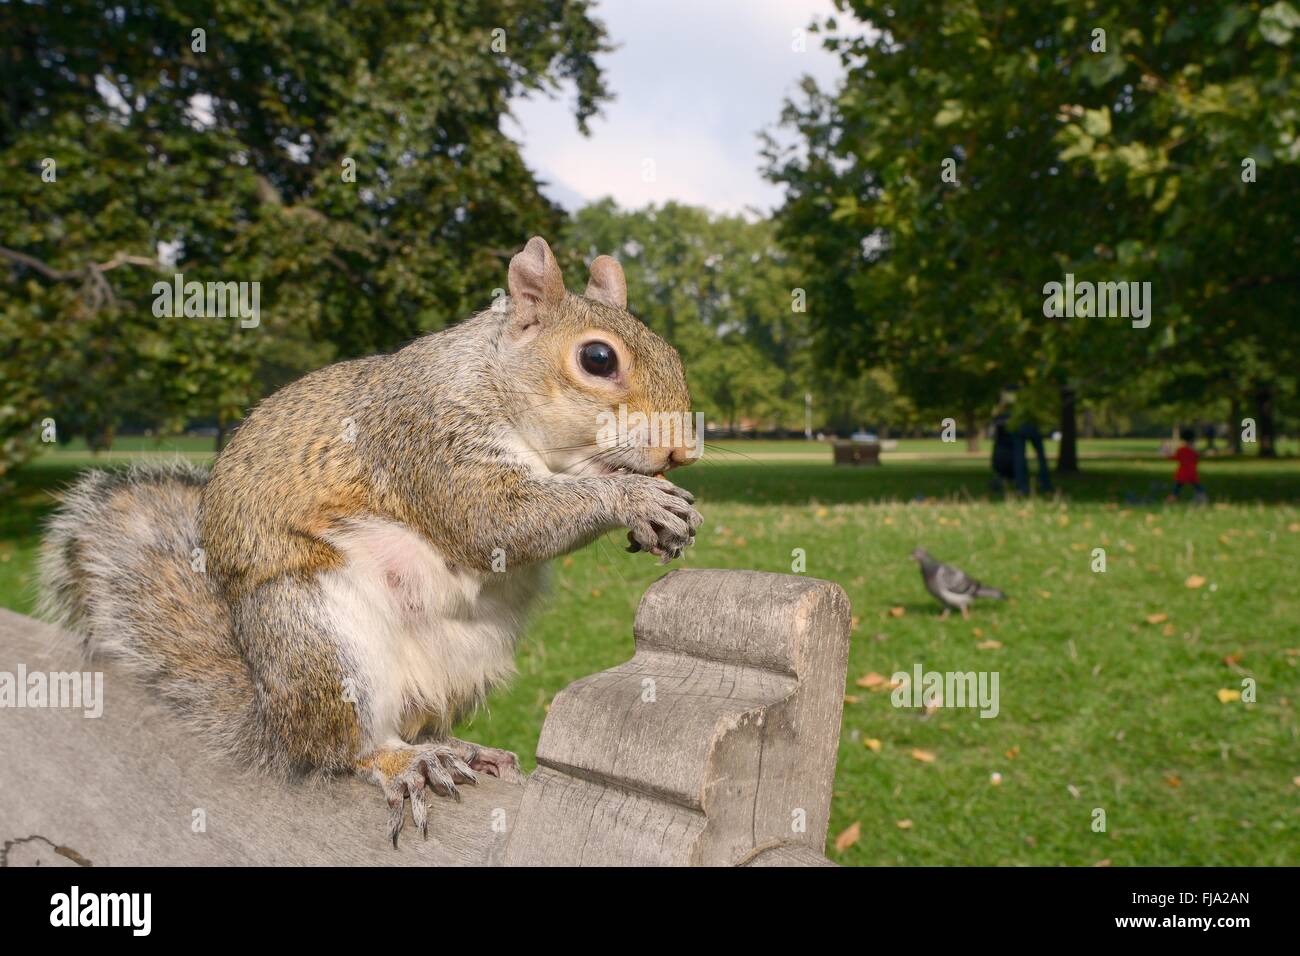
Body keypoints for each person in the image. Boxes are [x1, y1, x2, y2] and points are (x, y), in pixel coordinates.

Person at [1164, 427, 1206, 502]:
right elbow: (1197, 457)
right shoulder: (1193, 451)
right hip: (1192, 472)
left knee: (1176, 489)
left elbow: (1175, 457)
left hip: (1182, 473)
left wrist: (1167, 453)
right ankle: (1202, 499)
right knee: (1198, 488)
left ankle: (1171, 500)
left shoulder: (1181, 450)